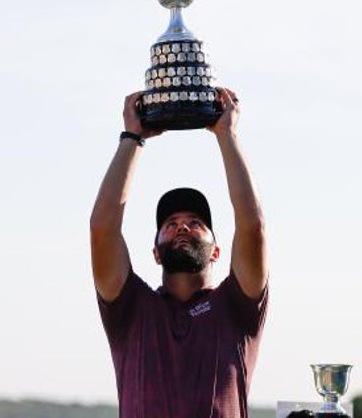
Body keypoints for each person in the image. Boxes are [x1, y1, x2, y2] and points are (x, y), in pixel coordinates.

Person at [89, 87, 268, 418]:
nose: (182, 227)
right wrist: (132, 138)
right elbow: (102, 230)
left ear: (217, 252)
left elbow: (252, 226)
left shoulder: (237, 305)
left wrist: (226, 135)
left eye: (196, 222)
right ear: (155, 253)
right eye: (170, 223)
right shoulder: (131, 308)